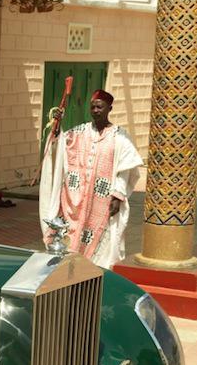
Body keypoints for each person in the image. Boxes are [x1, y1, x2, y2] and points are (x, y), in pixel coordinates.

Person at [39, 89, 143, 268]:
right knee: (71, 235)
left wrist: (118, 196)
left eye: (99, 107)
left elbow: (125, 169)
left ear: (109, 108)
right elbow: (62, 142)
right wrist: (57, 126)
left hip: (102, 202)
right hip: (75, 201)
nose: (95, 110)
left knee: (104, 239)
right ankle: (71, 267)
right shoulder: (80, 131)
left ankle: (97, 270)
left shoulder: (120, 137)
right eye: (93, 107)